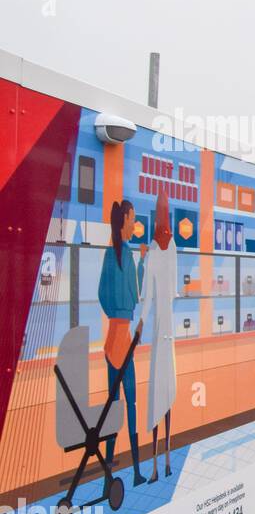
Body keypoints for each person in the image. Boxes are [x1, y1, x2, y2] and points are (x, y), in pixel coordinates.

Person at [98, 199, 145, 486]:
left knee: (113, 407)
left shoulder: (107, 253)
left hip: (110, 340)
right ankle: (137, 471)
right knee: (132, 404)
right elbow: (135, 295)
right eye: (133, 220)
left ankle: (108, 474)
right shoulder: (127, 254)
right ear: (124, 220)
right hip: (124, 339)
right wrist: (142, 262)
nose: (134, 225)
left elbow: (103, 294)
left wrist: (115, 314)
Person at [138, 188, 178, 482]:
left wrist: (140, 324)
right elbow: (172, 292)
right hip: (170, 333)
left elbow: (146, 297)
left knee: (155, 398)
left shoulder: (152, 249)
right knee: (165, 397)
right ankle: (165, 459)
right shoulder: (172, 246)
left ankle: (154, 464)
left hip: (157, 331)